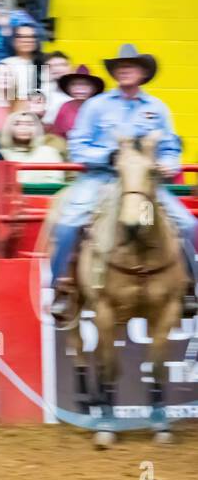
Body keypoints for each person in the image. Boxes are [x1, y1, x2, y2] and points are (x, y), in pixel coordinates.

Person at [49, 45, 198, 317]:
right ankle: (62, 287)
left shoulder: (157, 108)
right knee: (68, 223)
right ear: (114, 72)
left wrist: (170, 163)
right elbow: (78, 147)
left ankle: (188, 287)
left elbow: (171, 147)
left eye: (131, 65)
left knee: (188, 224)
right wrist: (109, 154)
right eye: (120, 65)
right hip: (102, 178)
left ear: (142, 72)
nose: (124, 69)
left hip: (144, 185)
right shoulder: (96, 106)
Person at [0, 110, 63, 185]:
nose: (24, 128)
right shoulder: (0, 154)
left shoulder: (49, 153)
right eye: (17, 124)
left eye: (29, 124)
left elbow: (55, 183)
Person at [47, 64, 103, 140]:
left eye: (85, 84)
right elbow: (57, 134)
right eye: (74, 84)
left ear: (94, 89)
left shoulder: (100, 106)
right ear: (68, 88)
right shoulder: (65, 106)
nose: (79, 89)